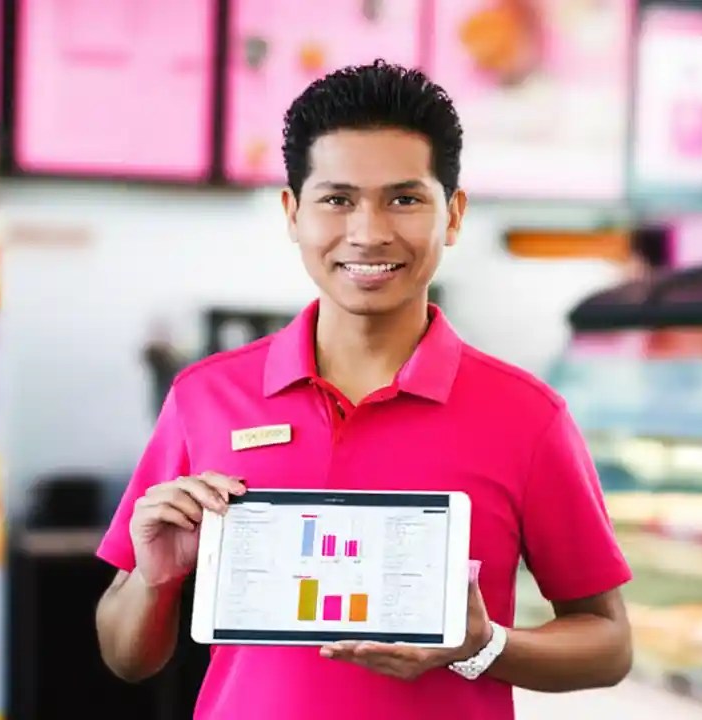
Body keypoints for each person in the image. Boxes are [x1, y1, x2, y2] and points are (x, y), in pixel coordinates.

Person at [94, 59, 634, 720]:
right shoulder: (205, 397)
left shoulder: (528, 416)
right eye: (337, 199)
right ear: (293, 213)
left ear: (453, 215)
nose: (370, 232)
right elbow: (125, 657)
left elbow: (609, 645)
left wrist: (482, 646)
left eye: (404, 199)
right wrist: (155, 582)